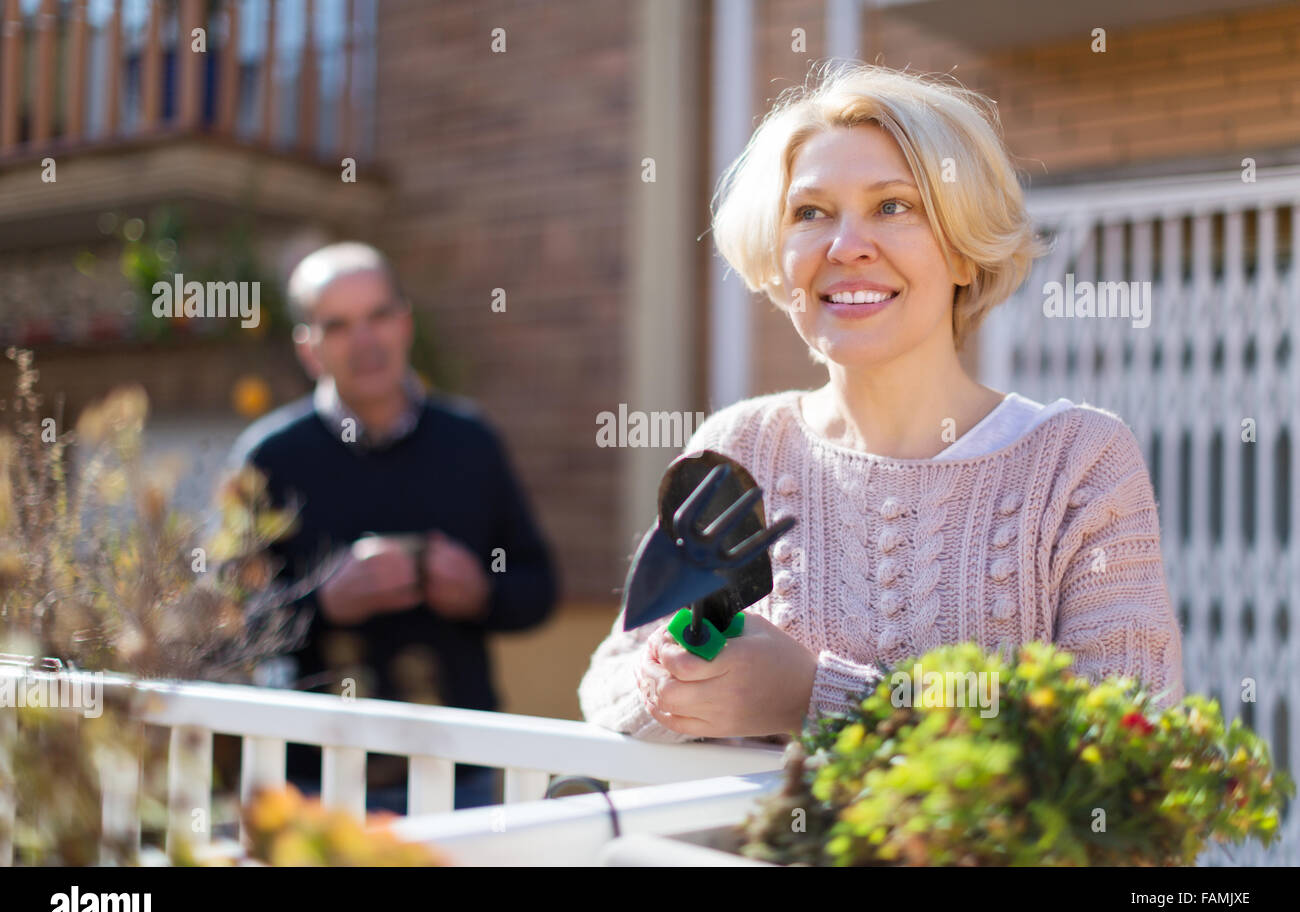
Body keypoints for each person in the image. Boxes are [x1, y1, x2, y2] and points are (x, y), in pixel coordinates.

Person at [578, 62, 1185, 745]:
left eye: (892, 206)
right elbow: (609, 679)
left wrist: (812, 699)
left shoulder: (1079, 463)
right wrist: (668, 682)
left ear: (962, 251)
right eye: (811, 213)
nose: (846, 247)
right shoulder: (740, 446)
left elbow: (1131, 745)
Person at [229, 241, 558, 810]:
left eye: (378, 315)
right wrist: (320, 604)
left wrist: (482, 593)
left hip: (461, 773)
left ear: (404, 323)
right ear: (309, 349)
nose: (366, 340)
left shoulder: (471, 442)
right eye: (339, 325)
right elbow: (224, 618)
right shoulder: (269, 457)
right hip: (317, 780)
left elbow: (539, 586)